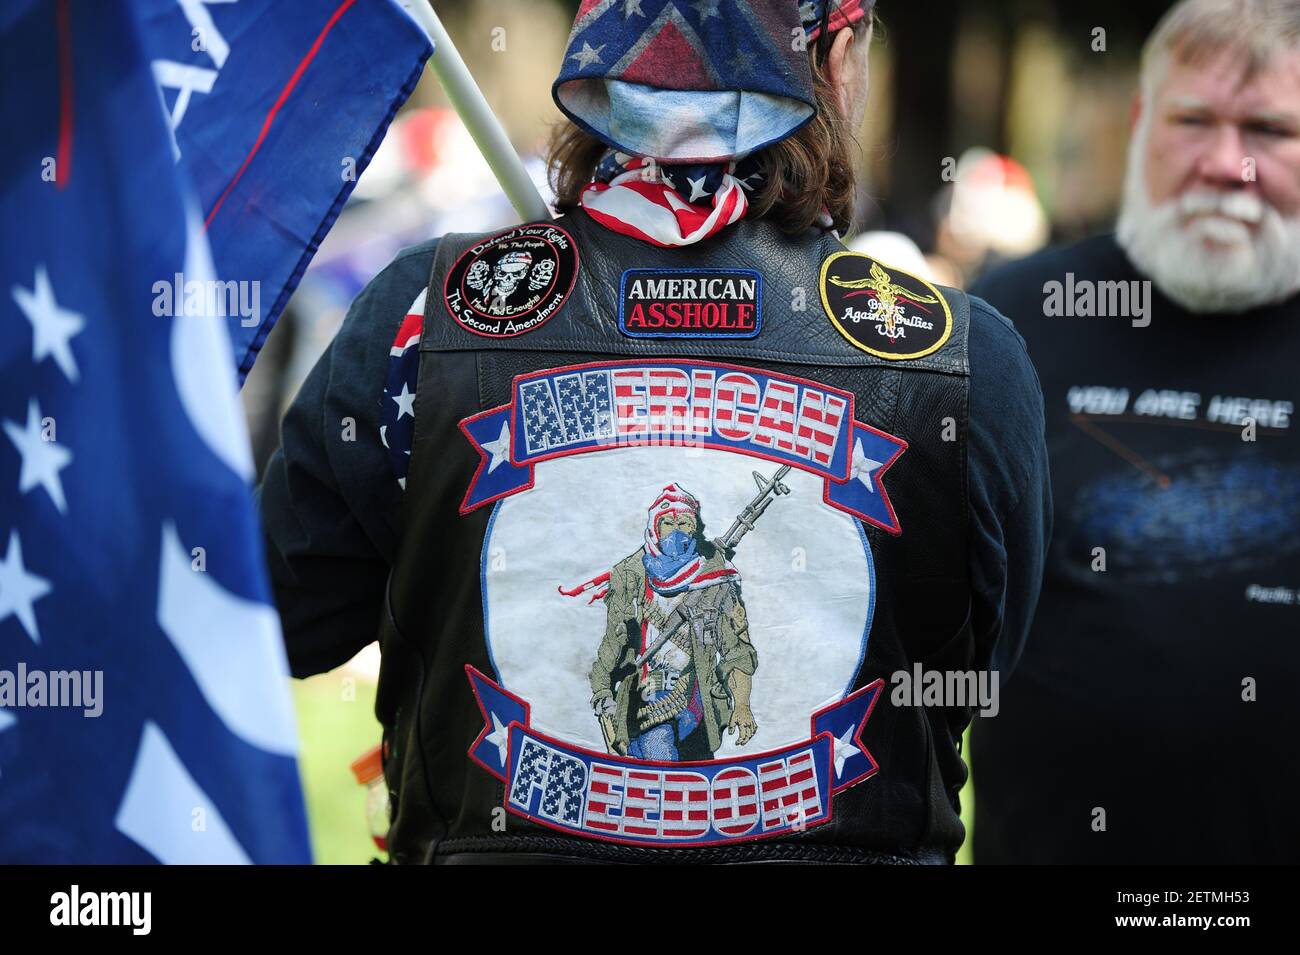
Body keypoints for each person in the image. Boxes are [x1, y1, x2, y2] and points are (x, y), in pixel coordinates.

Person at [259, 0, 1050, 864]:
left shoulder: (422, 313)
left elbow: (278, 618)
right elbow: (988, 673)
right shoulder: (964, 361)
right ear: (841, 60)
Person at [970, 0, 1300, 864]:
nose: (1228, 165)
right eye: (1195, 121)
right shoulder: (1010, 323)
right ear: (1141, 121)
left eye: (1269, 129)